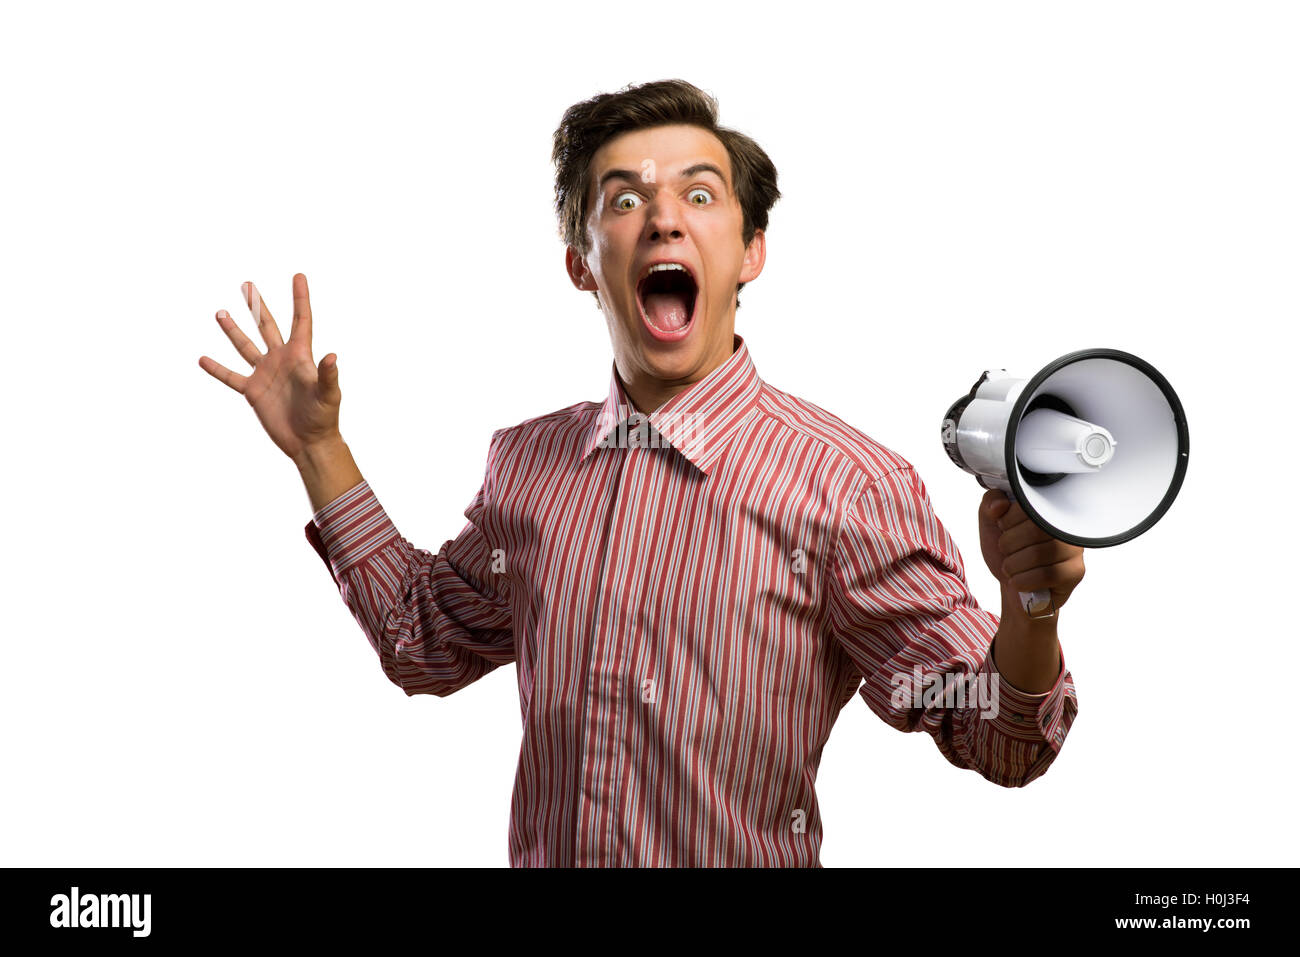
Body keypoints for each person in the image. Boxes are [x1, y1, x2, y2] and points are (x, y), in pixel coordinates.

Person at [198, 79, 1083, 867]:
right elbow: (421, 641)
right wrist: (320, 450)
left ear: (749, 252)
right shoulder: (528, 468)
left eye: (700, 194)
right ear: (583, 262)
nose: (664, 217)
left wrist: (1030, 606)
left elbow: (1004, 740)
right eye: (624, 199)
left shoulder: (846, 484)